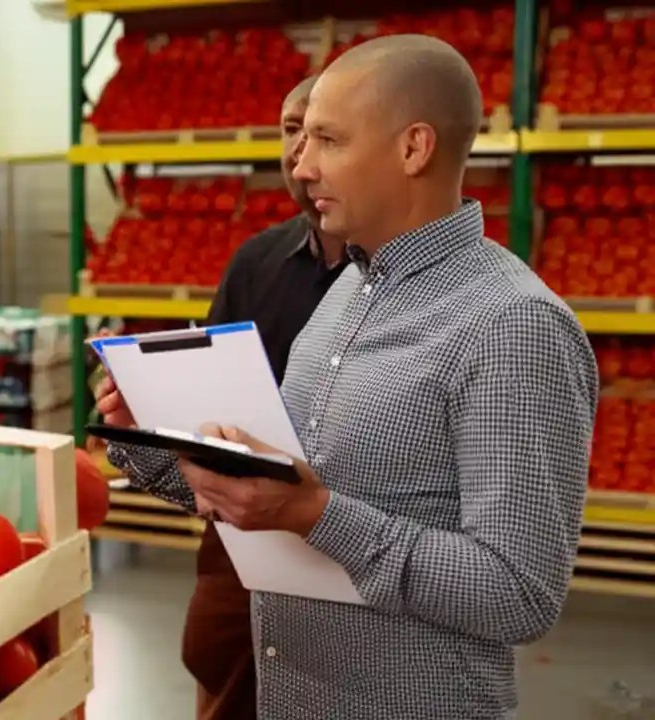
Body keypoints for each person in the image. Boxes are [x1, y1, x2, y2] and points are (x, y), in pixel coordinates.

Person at [179, 35, 598, 719]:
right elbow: (295, 484)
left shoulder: (511, 326)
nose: (301, 165)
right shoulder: (349, 289)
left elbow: (519, 593)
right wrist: (165, 441)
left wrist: (317, 515)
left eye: (328, 141)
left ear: (414, 148)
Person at [95, 76, 348, 720]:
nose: (301, 151)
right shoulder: (256, 264)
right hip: (237, 569)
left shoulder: (418, 288)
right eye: (292, 128)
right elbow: (205, 446)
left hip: (351, 577)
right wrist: (148, 426)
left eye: (323, 132)